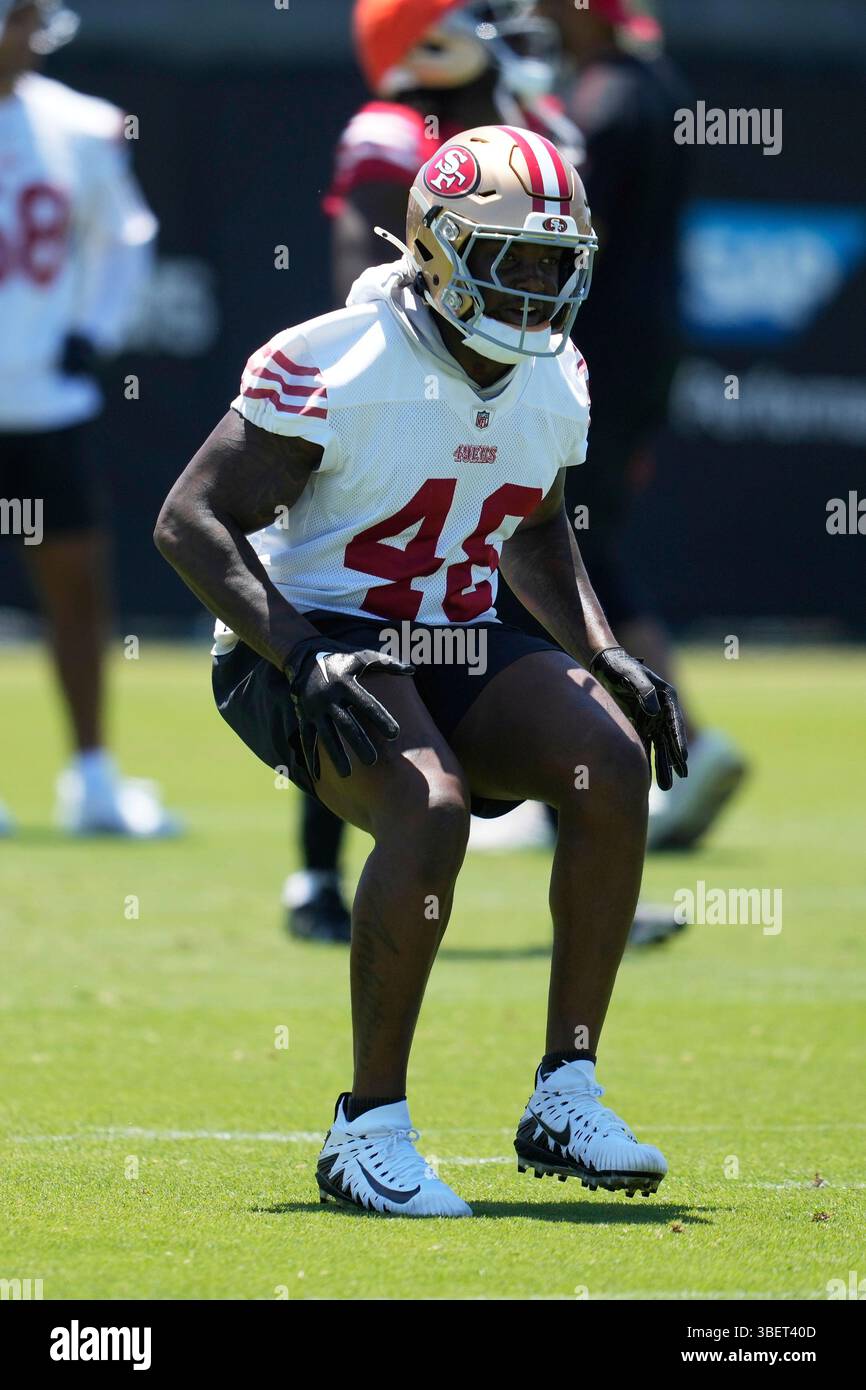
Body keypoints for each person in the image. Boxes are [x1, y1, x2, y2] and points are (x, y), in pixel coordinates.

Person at [155, 123, 688, 1216]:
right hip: (304, 638)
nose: (538, 288)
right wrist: (300, 656)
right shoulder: (339, 359)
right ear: (439, 249)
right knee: (428, 805)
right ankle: (367, 1128)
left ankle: (566, 1088)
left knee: (606, 758)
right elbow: (189, 520)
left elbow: (533, 527)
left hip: (447, 631)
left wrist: (601, 652)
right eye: (516, 259)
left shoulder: (556, 376)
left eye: (555, 265)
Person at [284, 0, 582, 941]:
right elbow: (370, 272)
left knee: (441, 600)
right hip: (414, 394)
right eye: (479, 10)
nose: (506, 23)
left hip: (507, 382)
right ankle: (318, 876)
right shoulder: (393, 131)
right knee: (346, 598)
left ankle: (568, 830)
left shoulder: (526, 132)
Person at [522, 0, 746, 850]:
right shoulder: (654, 86)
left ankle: (653, 749)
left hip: (595, 361)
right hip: (642, 355)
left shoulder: (605, 105)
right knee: (589, 544)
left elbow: (572, 248)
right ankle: (671, 740)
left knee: (557, 548)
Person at [0, 0, 178, 836]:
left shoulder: (78, 125)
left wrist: (92, 330)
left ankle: (93, 775)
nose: (30, 36)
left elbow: (125, 237)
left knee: (75, 589)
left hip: (45, 402)